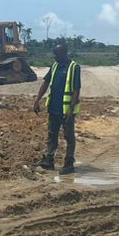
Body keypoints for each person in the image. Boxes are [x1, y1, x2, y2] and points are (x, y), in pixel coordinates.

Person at [33, 42, 80, 174]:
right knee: (51, 134)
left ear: (64, 53)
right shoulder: (54, 66)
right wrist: (37, 100)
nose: (54, 56)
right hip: (54, 107)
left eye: (57, 54)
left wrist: (71, 110)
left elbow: (76, 90)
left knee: (69, 136)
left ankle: (69, 163)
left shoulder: (74, 67)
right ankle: (49, 160)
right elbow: (46, 83)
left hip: (66, 110)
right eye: (54, 53)